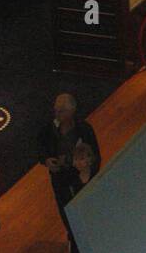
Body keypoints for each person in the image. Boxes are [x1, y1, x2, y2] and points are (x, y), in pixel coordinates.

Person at [38, 91, 101, 244]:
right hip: (60, 181)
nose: (57, 114)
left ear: (72, 111)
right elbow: (39, 148)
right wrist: (46, 160)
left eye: (61, 111)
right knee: (67, 215)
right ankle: (74, 239)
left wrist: (85, 172)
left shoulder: (84, 130)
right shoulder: (49, 129)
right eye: (56, 110)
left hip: (80, 183)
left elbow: (96, 158)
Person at [60, 140, 97, 253]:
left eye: (85, 158)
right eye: (79, 159)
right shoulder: (70, 179)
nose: (83, 162)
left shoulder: (96, 175)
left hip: (92, 223)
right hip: (78, 224)